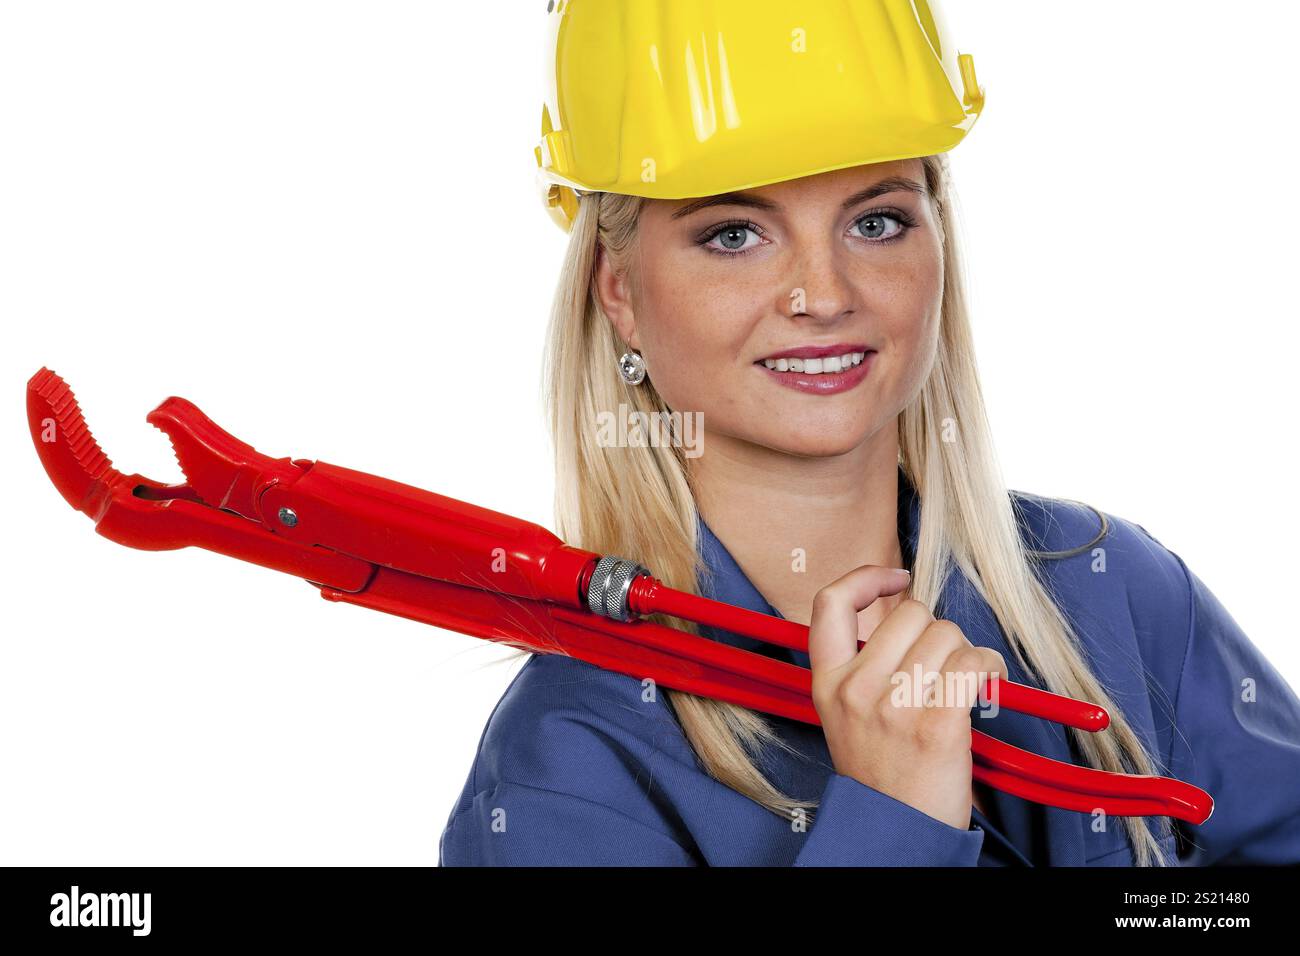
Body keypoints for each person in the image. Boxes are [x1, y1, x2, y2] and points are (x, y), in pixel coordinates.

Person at [439, 0, 1300, 866]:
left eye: (875, 221)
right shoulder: (562, 771)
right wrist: (893, 822)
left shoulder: (1113, 592)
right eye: (734, 233)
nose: (824, 294)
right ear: (616, 289)